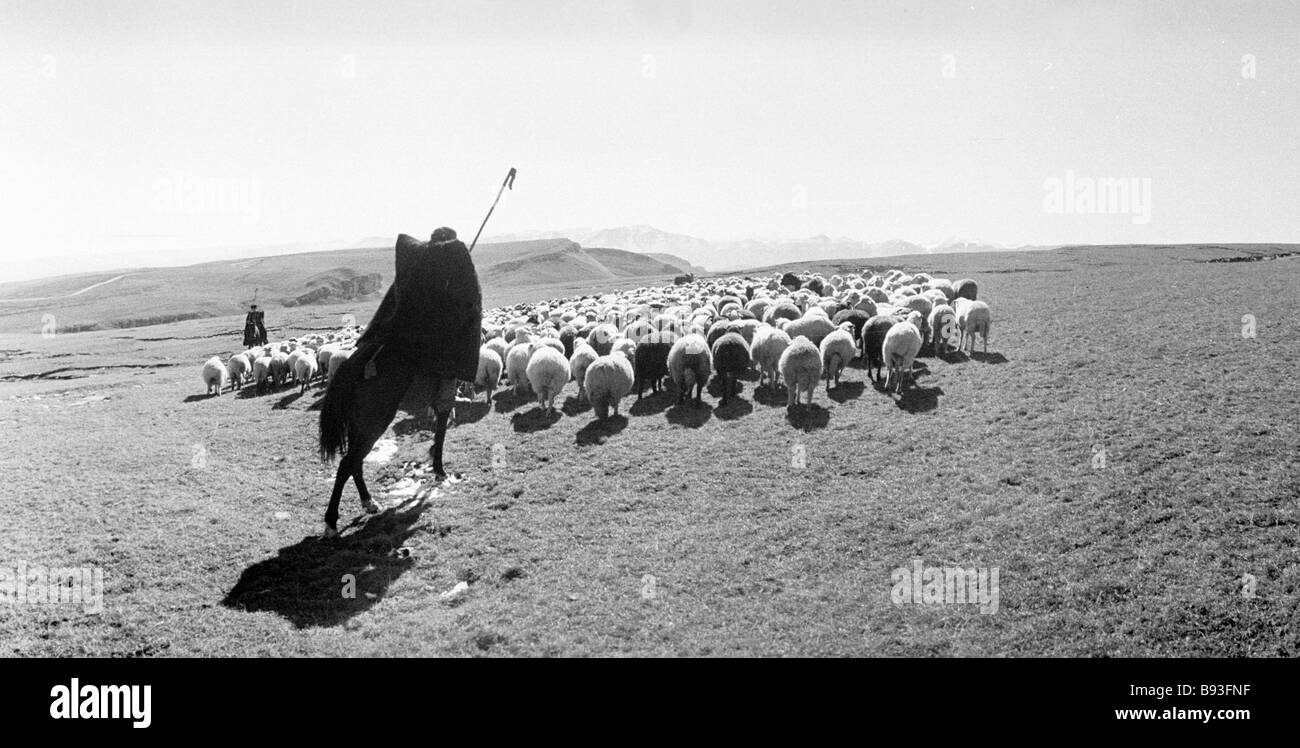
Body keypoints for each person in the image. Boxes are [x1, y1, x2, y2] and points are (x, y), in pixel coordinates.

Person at [356, 226, 481, 422]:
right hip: (426, 327)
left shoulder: (418, 258)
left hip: (403, 319)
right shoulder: (446, 258)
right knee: (448, 361)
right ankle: (446, 399)